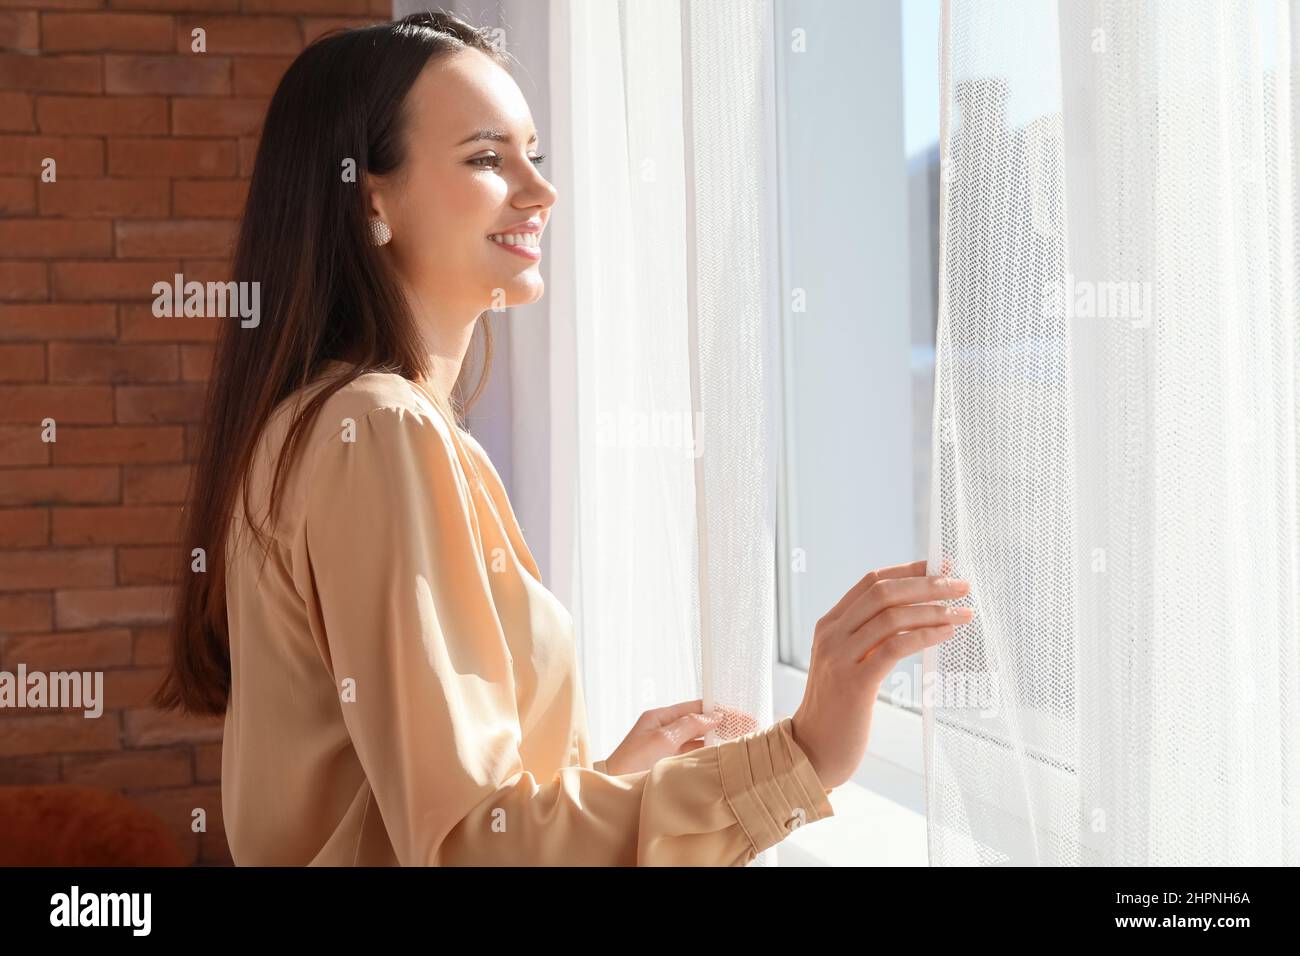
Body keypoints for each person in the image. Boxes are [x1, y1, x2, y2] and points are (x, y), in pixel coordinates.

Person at [154, 10, 975, 866]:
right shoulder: (379, 429)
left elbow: (412, 811)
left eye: (533, 154)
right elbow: (471, 848)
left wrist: (612, 779)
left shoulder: (312, 425)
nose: (540, 193)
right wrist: (802, 752)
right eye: (485, 158)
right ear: (372, 198)